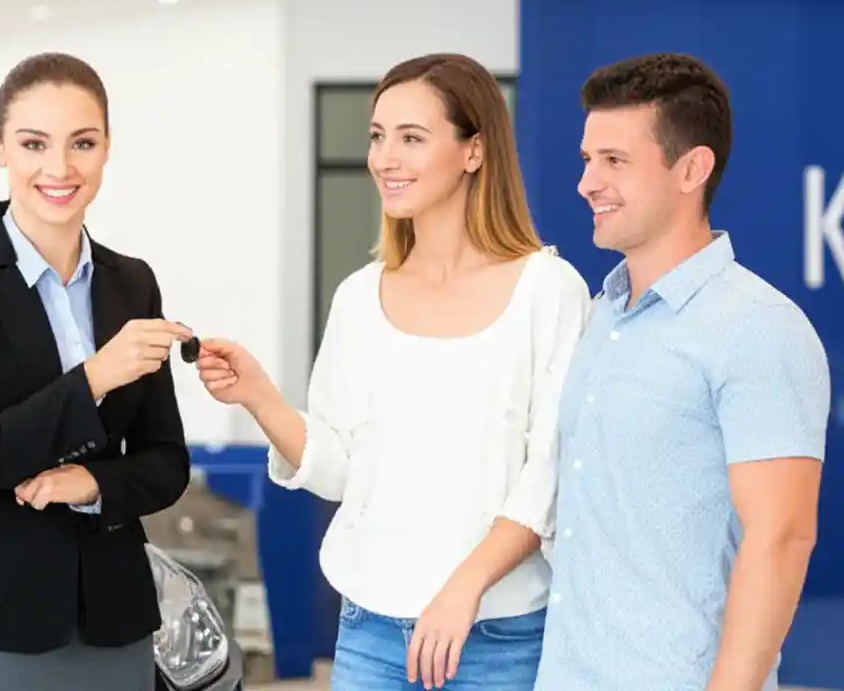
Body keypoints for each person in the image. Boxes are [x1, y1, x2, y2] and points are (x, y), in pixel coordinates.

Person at [195, 53, 590, 690]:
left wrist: (460, 591)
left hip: (498, 640)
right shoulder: (358, 298)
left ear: (474, 150)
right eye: (378, 137)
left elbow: (546, 480)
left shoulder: (550, 292)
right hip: (370, 637)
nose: (385, 158)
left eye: (412, 138)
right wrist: (258, 396)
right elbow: (340, 470)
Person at [533, 52, 831, 691]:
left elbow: (782, 537)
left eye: (615, 161)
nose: (587, 182)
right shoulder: (599, 316)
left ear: (692, 169)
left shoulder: (759, 328)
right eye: (588, 160)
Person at [0, 52, 193, 691]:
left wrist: (89, 483)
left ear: (106, 149)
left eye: (81, 143)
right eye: (35, 143)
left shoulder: (132, 282)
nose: (59, 169)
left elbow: (166, 462)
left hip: (110, 626)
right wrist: (95, 376)